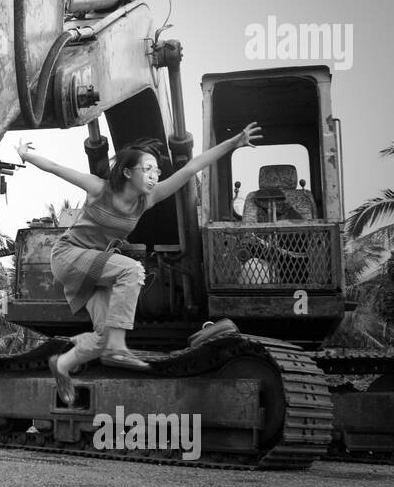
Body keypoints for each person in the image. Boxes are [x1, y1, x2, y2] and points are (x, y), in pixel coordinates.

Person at [14, 123, 263, 401]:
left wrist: (233, 142)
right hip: (68, 256)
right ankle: (118, 349)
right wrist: (26, 154)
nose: (155, 175)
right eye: (147, 169)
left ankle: (62, 364)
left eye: (156, 170)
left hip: (96, 268)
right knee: (131, 270)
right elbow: (57, 168)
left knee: (103, 335)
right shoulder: (100, 189)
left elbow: (191, 169)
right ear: (127, 172)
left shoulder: (147, 200)